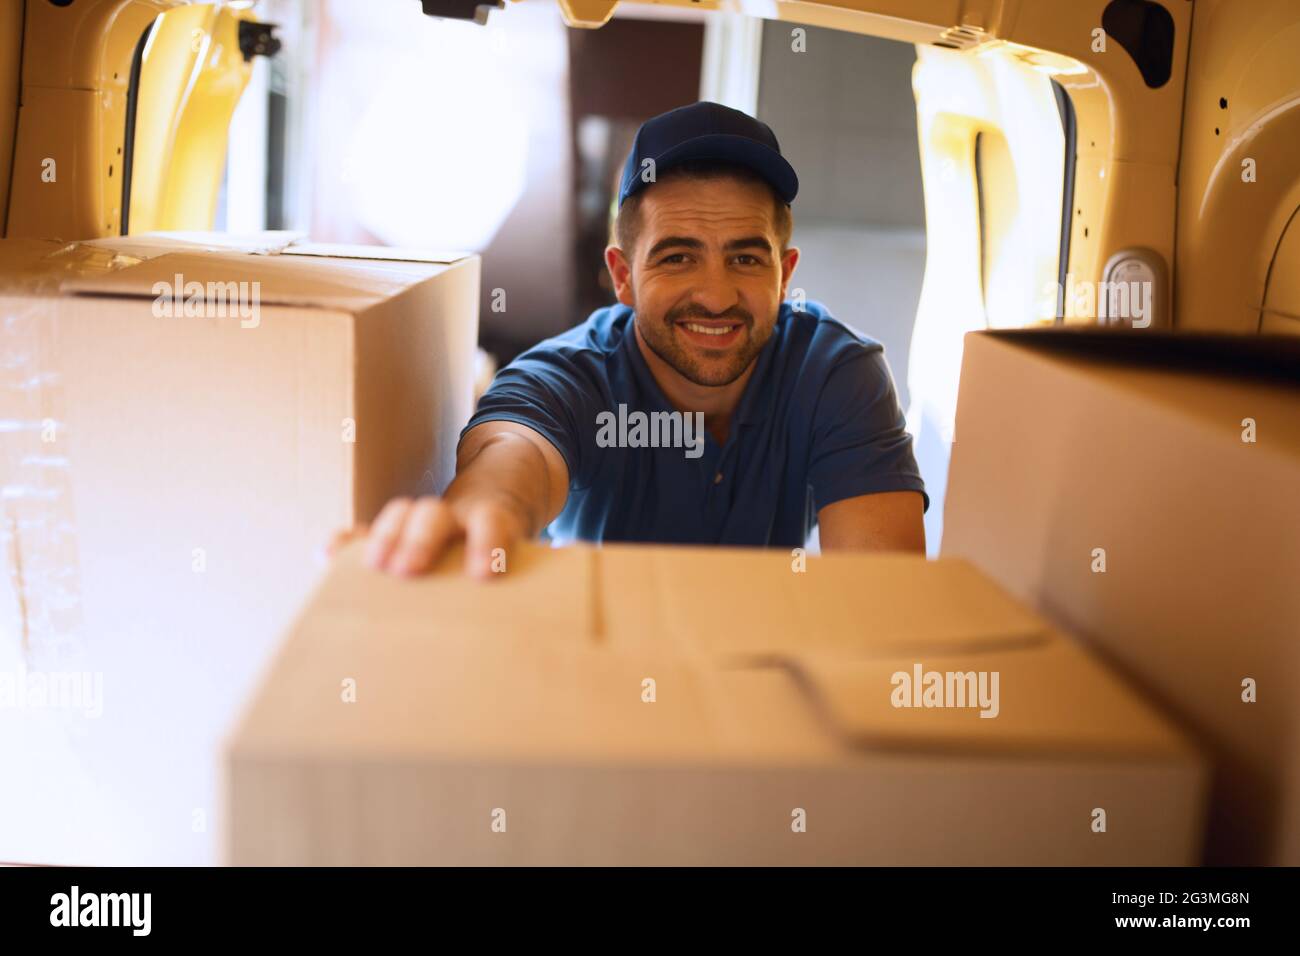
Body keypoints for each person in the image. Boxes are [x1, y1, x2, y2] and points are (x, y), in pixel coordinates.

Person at [345, 101, 926, 578]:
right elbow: (512, 457)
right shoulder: (567, 377)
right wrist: (481, 512)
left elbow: (883, 596)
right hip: (592, 669)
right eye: (678, 257)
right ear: (622, 275)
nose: (717, 297)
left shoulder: (836, 373)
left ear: (785, 274)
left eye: (746, 258)